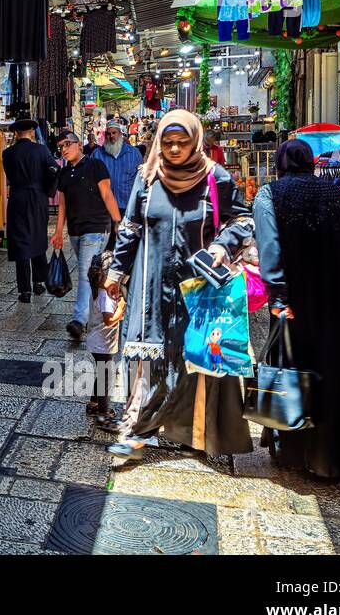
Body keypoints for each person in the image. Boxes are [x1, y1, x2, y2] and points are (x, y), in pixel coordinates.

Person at [104, 109, 253, 461]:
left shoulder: (215, 178)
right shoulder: (148, 177)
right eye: (167, 142)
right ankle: (138, 431)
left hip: (198, 287)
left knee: (194, 358)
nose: (173, 149)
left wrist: (223, 243)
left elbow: (242, 219)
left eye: (181, 143)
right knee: (153, 360)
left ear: (195, 141)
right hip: (150, 286)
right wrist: (116, 273)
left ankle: (192, 432)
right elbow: (130, 229)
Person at [228, 140, 340, 477]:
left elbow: (270, 249)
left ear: (281, 163)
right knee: (333, 368)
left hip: (295, 297)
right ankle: (334, 458)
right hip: (338, 295)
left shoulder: (271, 195)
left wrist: (278, 295)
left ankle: (296, 449)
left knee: (294, 367)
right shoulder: (337, 194)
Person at [52, 132, 120, 342]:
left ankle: (79, 321)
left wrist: (118, 221)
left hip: (96, 227)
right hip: (75, 230)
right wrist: (58, 231)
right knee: (92, 275)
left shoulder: (95, 166)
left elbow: (107, 194)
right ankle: (99, 311)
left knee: (83, 272)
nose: (64, 149)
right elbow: (62, 203)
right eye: (60, 146)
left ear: (79, 145)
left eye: (67, 144)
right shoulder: (63, 173)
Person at [3, 118, 58, 303]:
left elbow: (10, 176)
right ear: (33, 132)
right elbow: (54, 171)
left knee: (20, 241)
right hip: (38, 198)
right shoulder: (41, 150)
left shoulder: (8, 153)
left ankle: (24, 289)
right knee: (37, 237)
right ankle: (39, 281)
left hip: (18, 198)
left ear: (16, 133)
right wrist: (48, 190)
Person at [90, 122, 144, 215]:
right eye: (108, 134)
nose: (111, 136)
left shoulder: (134, 154)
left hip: (127, 205)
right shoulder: (97, 154)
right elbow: (90, 178)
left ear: (120, 134)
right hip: (103, 207)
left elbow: (141, 179)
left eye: (114, 133)